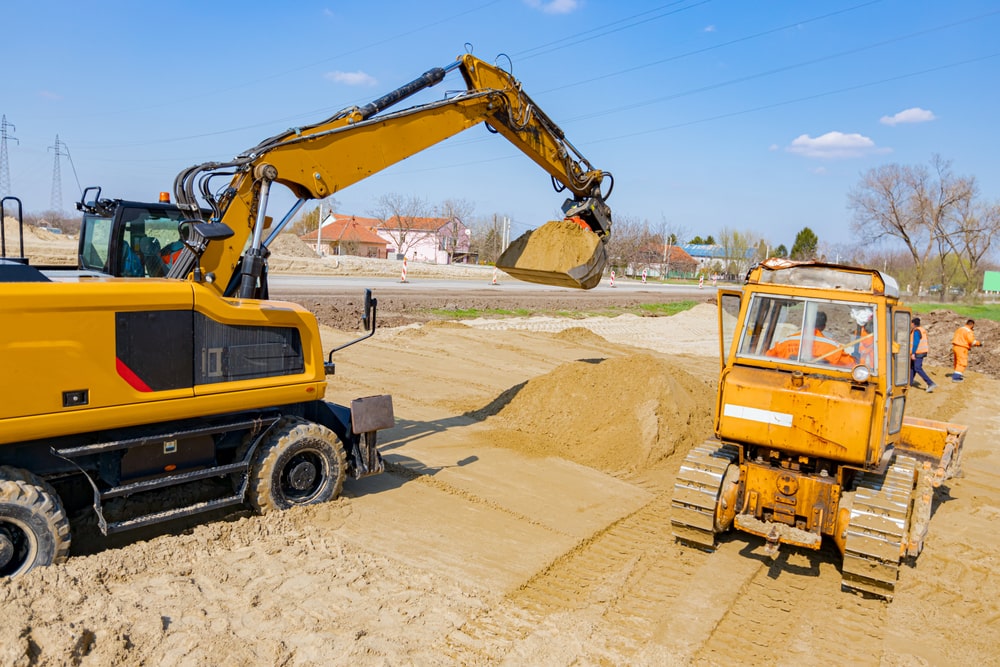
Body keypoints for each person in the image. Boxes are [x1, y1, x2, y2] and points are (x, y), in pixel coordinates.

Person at [766, 310, 856, 367]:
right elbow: (851, 366)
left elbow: (767, 359)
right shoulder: (835, 349)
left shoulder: (784, 342)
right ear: (824, 326)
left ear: (806, 324)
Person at [910, 317, 936, 392]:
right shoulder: (921, 330)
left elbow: (915, 343)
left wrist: (913, 354)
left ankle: (930, 383)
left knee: (917, 368)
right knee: (912, 367)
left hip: (918, 352)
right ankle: (909, 383)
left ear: (913, 323)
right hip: (921, 351)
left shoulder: (916, 331)